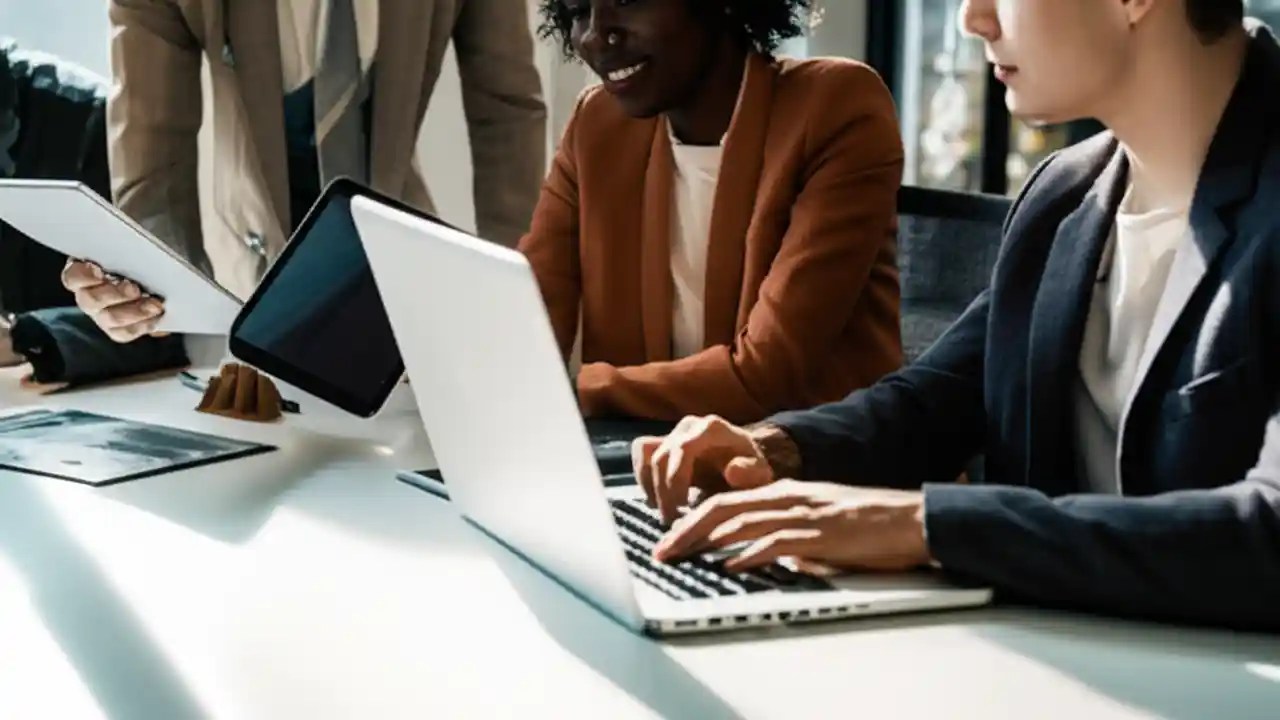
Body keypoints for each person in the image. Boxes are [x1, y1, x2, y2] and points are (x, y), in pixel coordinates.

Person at [636, 0, 1280, 632]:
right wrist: (772, 449)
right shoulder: (1066, 196)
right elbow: (935, 401)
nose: (974, 19)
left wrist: (925, 525)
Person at [63, 0, 547, 344]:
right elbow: (154, 141)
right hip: (253, 273)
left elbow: (505, 109)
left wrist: (513, 296)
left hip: (398, 265)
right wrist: (150, 290)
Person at [521, 0, 904, 424]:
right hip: (653, 464)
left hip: (820, 472)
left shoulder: (836, 107)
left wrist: (586, 388)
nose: (595, 34)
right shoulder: (597, 126)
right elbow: (529, 317)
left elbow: (764, 377)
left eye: (628, 1)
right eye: (577, 10)